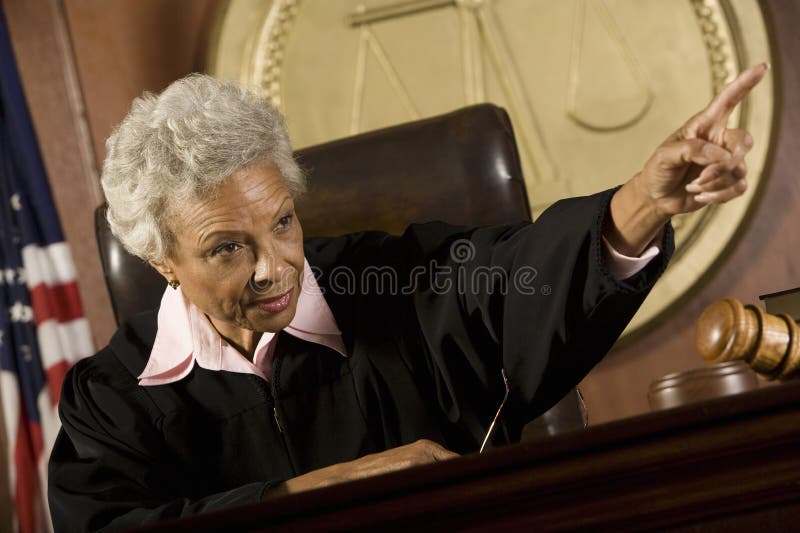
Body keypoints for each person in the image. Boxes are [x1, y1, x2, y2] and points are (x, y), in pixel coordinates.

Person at [47, 63, 767, 531]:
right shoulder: (113, 398)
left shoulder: (397, 283)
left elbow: (521, 279)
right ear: (160, 257)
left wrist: (644, 200)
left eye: (284, 223)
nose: (276, 268)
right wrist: (333, 489)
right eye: (227, 248)